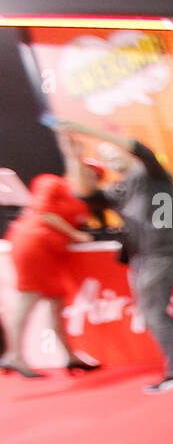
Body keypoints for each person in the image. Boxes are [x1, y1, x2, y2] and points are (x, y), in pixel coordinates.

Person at [56, 119, 173, 392]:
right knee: (153, 312)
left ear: (125, 151)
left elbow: (141, 149)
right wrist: (73, 155)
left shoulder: (152, 174)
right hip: (144, 258)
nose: (108, 158)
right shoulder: (119, 190)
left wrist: (86, 130)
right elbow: (84, 193)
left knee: (152, 314)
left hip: (162, 256)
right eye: (103, 156)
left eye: (112, 151)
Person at [0, 129, 102, 378]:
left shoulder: (83, 203)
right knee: (28, 298)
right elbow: (44, 213)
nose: (91, 177)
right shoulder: (50, 182)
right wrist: (76, 235)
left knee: (55, 303)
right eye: (88, 171)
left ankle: (69, 355)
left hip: (53, 255)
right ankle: (14, 355)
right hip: (32, 245)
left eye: (96, 176)